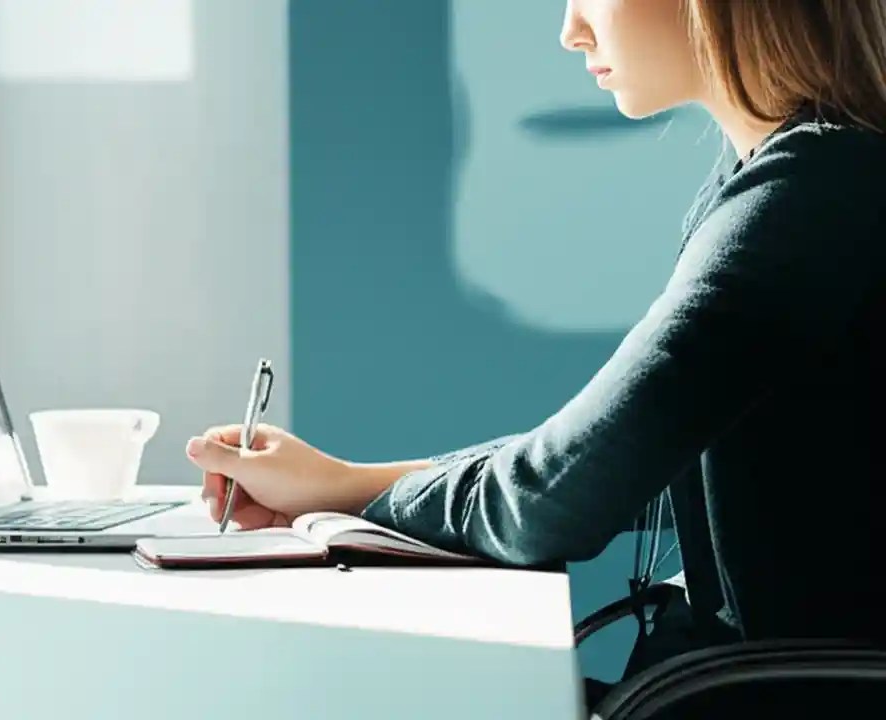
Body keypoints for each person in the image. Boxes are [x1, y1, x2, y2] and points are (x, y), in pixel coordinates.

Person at [186, 0, 886, 710]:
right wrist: (339, 484)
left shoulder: (808, 200)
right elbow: (590, 468)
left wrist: (346, 492)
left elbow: (554, 497)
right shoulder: (809, 178)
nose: (570, 29)